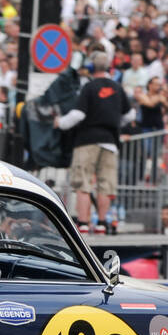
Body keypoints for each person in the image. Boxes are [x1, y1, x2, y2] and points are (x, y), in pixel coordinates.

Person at [54, 52, 134, 233]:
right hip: (110, 142)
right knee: (106, 184)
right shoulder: (117, 87)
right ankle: (102, 223)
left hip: (87, 140)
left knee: (83, 182)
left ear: (91, 68)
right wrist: (114, 123)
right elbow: (130, 115)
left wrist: (60, 123)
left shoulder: (89, 87)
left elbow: (79, 114)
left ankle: (83, 222)